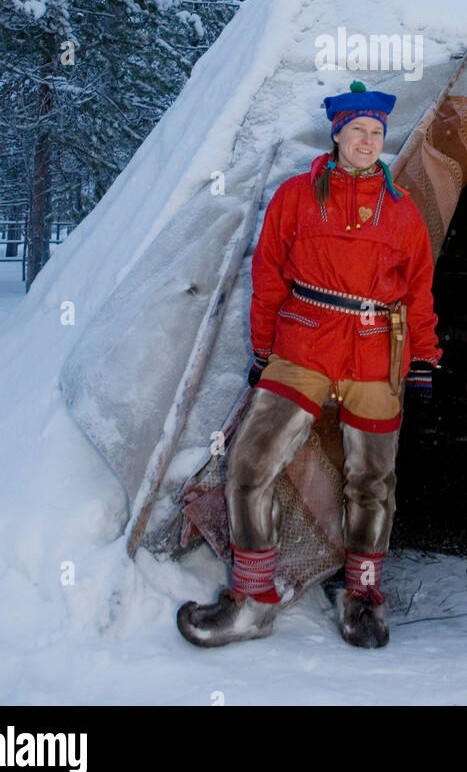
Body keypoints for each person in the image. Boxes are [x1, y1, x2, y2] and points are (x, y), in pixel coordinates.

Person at [177, 79, 441, 649]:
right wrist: (266, 348)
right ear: (338, 133)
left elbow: (418, 290)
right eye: (358, 130)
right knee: (250, 461)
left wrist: (422, 360)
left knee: (372, 480)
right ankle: (252, 600)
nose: (368, 141)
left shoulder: (402, 212)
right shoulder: (295, 196)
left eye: (377, 132)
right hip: (303, 346)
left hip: (375, 351)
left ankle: (361, 595)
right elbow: (269, 274)